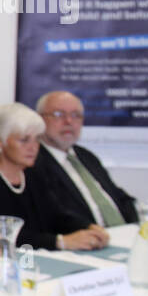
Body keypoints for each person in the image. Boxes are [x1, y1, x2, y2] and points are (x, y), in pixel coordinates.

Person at [0, 103, 107, 250]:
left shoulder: (34, 173)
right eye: (24, 140)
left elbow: (56, 215)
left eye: (37, 139)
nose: (33, 147)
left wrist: (89, 227)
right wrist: (60, 242)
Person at [33, 91, 137, 227]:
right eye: (59, 114)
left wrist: (137, 224)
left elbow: (119, 197)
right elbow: (52, 215)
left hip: (122, 234)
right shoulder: (32, 161)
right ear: (39, 119)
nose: (68, 121)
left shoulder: (86, 156)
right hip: (83, 240)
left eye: (75, 115)